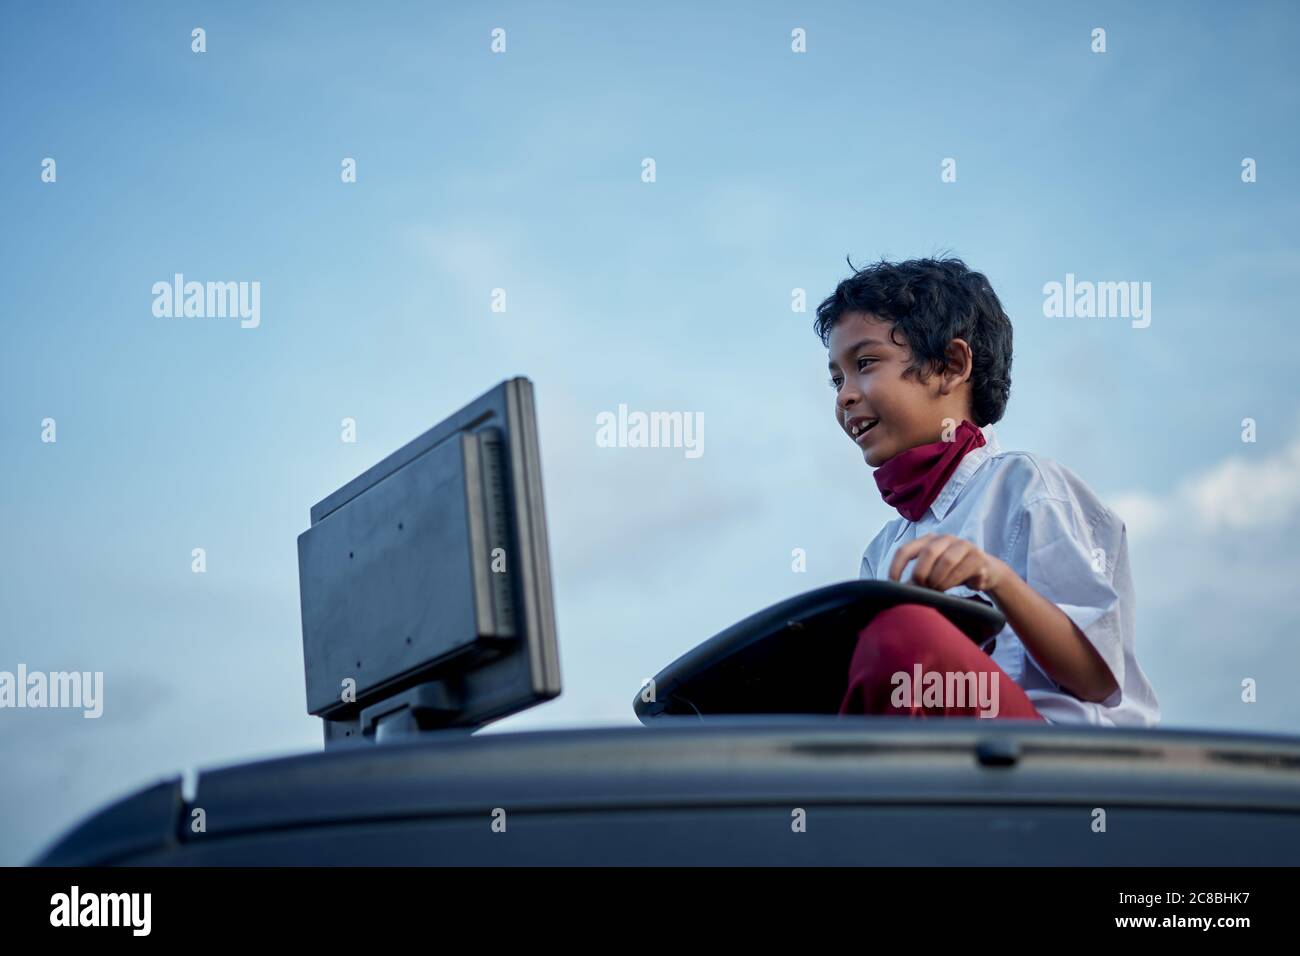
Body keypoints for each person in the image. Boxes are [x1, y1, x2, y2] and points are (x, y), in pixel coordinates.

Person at [817, 256, 1159, 726]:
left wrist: (994, 578)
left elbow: (1096, 679)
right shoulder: (884, 551)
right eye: (837, 378)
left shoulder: (1028, 487)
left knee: (901, 634)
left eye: (866, 363)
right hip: (948, 771)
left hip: (1055, 767)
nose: (844, 395)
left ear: (951, 366)